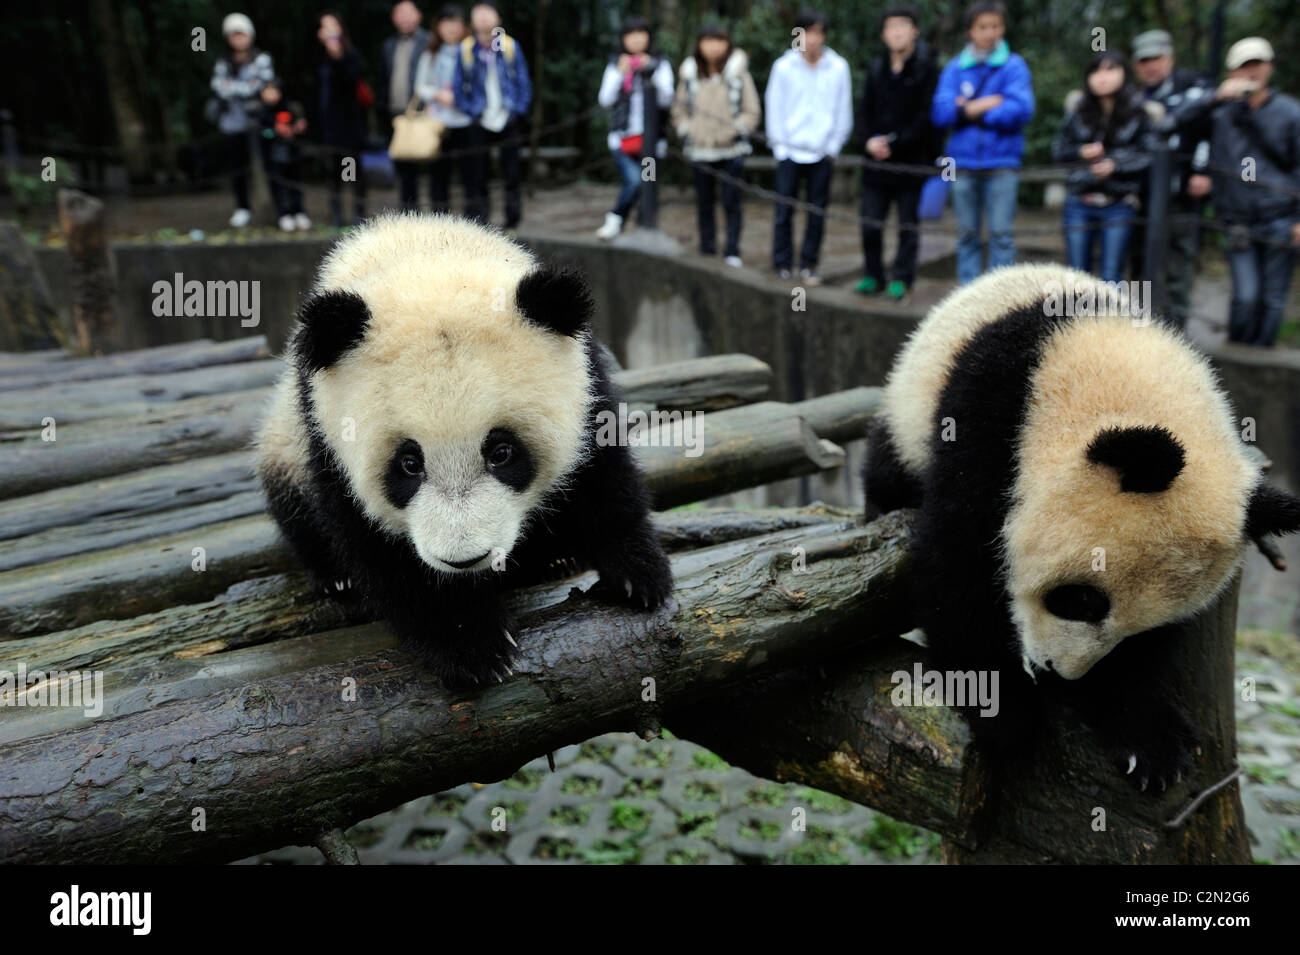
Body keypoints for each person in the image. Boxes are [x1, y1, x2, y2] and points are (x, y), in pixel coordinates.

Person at [1202, 39, 1300, 347]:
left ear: (1270, 66)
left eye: (1257, 64)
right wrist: (1216, 97)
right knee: (1246, 295)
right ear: (1232, 71)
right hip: (1238, 221)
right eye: (1244, 65)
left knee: (1272, 299)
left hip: (1280, 219)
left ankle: (1261, 363)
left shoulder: (1291, 113)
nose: (1252, 71)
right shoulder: (1220, 113)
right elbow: (1173, 123)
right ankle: (1234, 361)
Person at [931, 0, 1034, 285]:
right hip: (961, 164)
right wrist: (986, 103)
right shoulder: (955, 68)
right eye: (983, 27)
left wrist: (968, 109)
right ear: (970, 31)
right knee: (966, 233)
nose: (990, 33)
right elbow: (940, 113)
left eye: (995, 26)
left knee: (1001, 234)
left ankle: (1001, 299)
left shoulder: (1014, 66)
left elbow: (1021, 110)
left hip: (1002, 163)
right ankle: (969, 294)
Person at [1130, 29, 1215, 328]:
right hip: (1142, 198)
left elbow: (1210, 130)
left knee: (1180, 266)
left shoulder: (1195, 86)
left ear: (1170, 58)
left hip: (1182, 196)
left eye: (1156, 58)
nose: (1150, 66)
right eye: (1143, 60)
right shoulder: (1133, 96)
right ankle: (1140, 332)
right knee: (1141, 265)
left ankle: (1178, 332)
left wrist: (1203, 172)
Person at [854, 4, 939, 301]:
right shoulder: (876, 67)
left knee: (907, 225)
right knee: (870, 223)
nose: (897, 32)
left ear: (914, 30)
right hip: (875, 163)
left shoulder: (928, 67)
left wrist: (895, 142)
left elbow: (926, 116)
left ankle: (902, 278)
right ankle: (873, 275)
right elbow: (863, 110)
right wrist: (867, 141)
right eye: (891, 26)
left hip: (910, 163)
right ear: (883, 33)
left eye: (903, 25)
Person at [1050, 52, 1158, 283]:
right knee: (1076, 277)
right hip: (1080, 201)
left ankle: (1110, 321)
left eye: (1110, 70)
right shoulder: (1077, 112)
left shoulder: (1138, 114)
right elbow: (1058, 150)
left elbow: (1149, 154)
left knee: (1112, 276)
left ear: (1124, 74)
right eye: (1096, 71)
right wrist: (1081, 152)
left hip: (1119, 203)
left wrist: (1116, 165)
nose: (1102, 77)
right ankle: (1078, 320)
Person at [764, 8, 853, 284]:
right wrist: (780, 148)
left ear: (824, 35)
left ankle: (809, 263)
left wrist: (833, 145)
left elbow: (843, 110)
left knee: (817, 212)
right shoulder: (783, 67)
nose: (812, 39)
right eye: (805, 33)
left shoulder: (838, 68)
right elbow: (774, 107)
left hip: (822, 152)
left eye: (817, 32)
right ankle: (781, 262)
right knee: (783, 211)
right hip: (789, 150)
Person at [670, 23, 760, 264]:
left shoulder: (738, 74)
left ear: (727, 43)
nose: (713, 46)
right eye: (707, 40)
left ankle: (732, 250)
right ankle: (707, 248)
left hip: (731, 149)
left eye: (718, 40)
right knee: (704, 203)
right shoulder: (689, 75)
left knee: (732, 203)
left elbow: (752, 111)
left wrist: (734, 130)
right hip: (700, 150)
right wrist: (688, 129)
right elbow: (678, 109)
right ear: (699, 44)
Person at [454, 2, 533, 230]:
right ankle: (481, 221)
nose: (484, 18)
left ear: (498, 17)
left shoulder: (508, 46)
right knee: (478, 173)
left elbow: (523, 81)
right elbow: (458, 87)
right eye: (478, 13)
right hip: (479, 118)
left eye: (488, 13)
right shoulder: (467, 48)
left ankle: (512, 219)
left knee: (511, 172)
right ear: (471, 19)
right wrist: (470, 111)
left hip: (507, 116)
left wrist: (518, 110)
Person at [595, 17, 675, 241]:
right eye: (631, 33)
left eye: (642, 33)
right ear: (624, 38)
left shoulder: (660, 62)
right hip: (622, 140)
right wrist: (621, 72)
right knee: (635, 181)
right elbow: (605, 100)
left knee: (647, 184)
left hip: (650, 143)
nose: (637, 38)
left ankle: (642, 227)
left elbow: (667, 98)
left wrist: (651, 69)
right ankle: (616, 218)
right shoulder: (616, 63)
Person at [210, 13, 274, 228]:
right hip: (232, 124)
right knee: (237, 168)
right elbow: (219, 87)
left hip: (258, 123)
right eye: (233, 35)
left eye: (241, 34)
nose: (238, 39)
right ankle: (243, 208)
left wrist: (235, 88)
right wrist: (245, 88)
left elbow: (260, 86)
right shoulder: (224, 62)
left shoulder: (261, 59)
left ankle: (279, 209)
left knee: (269, 165)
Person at [415, 5, 473, 214]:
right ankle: (440, 221)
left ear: (464, 26)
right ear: (438, 26)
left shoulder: (471, 52)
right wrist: (437, 95)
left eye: (456, 23)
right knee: (438, 175)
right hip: (437, 122)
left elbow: (479, 83)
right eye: (446, 22)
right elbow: (420, 86)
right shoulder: (430, 53)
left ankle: (475, 223)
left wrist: (459, 96)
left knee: (471, 175)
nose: (451, 28)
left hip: (466, 120)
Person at [316, 11, 368, 227]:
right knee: (333, 174)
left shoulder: (350, 55)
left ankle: (358, 213)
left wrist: (339, 56)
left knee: (353, 172)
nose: (328, 31)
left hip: (350, 126)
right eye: (324, 26)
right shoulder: (318, 57)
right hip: (328, 127)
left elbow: (352, 79)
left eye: (332, 26)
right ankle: (336, 214)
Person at [382, 1, 431, 211]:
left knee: (432, 162)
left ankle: (438, 212)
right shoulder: (389, 45)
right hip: (395, 112)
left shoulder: (429, 41)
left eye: (408, 13)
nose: (404, 18)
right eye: (399, 14)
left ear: (418, 15)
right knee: (403, 166)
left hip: (422, 113)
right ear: (393, 18)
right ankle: (409, 210)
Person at [257, 80, 311, 232]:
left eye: (274, 90)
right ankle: (283, 214)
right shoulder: (262, 112)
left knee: (295, 184)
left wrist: (297, 128)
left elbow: (300, 127)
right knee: (278, 186)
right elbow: (263, 133)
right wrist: (275, 131)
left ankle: (299, 211)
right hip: (272, 156)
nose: (271, 94)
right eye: (267, 91)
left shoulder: (291, 107)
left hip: (293, 153)